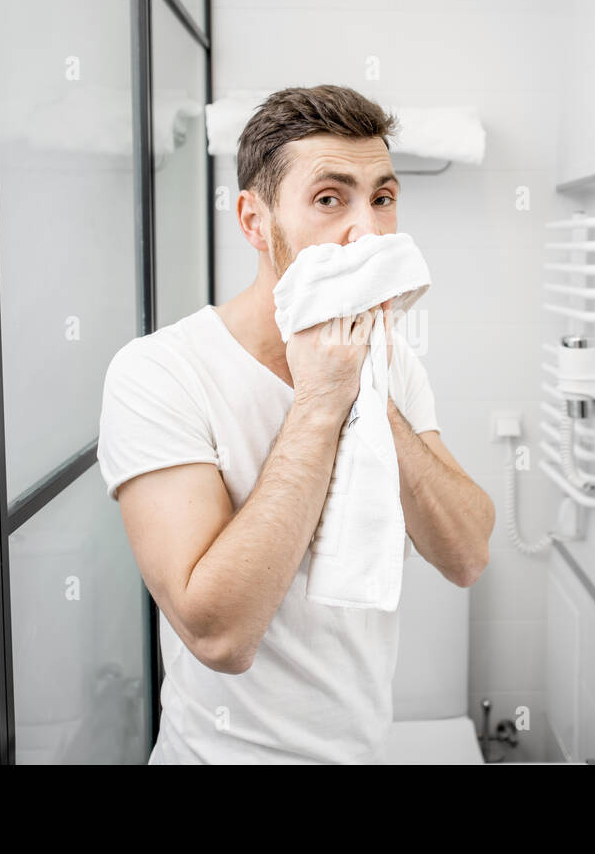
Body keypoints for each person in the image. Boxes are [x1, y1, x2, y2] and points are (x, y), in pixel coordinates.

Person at [97, 84, 494, 763]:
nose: (367, 230)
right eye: (330, 198)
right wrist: (320, 401)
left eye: (383, 197)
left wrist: (367, 388)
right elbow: (220, 635)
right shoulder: (161, 372)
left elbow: (466, 554)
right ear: (255, 221)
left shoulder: (394, 365)